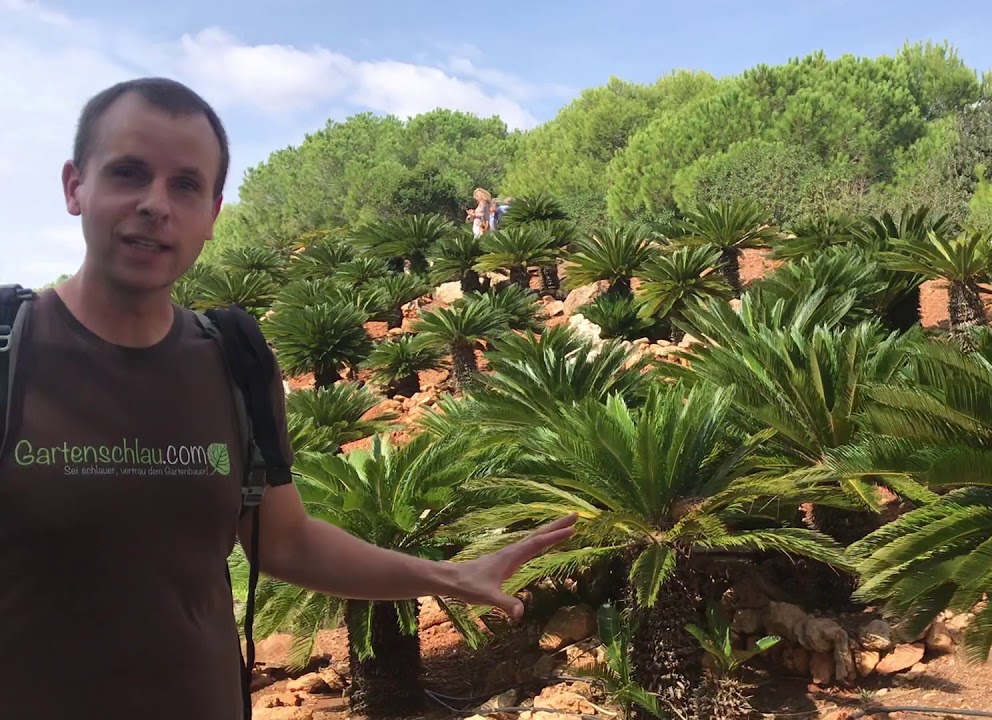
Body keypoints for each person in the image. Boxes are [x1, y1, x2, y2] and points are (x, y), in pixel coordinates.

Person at [0, 77, 576, 720]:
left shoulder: (234, 361)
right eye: (129, 173)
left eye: (186, 185)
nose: (155, 204)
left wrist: (451, 577)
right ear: (76, 186)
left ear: (213, 215)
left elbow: (285, 543)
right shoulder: (12, 350)